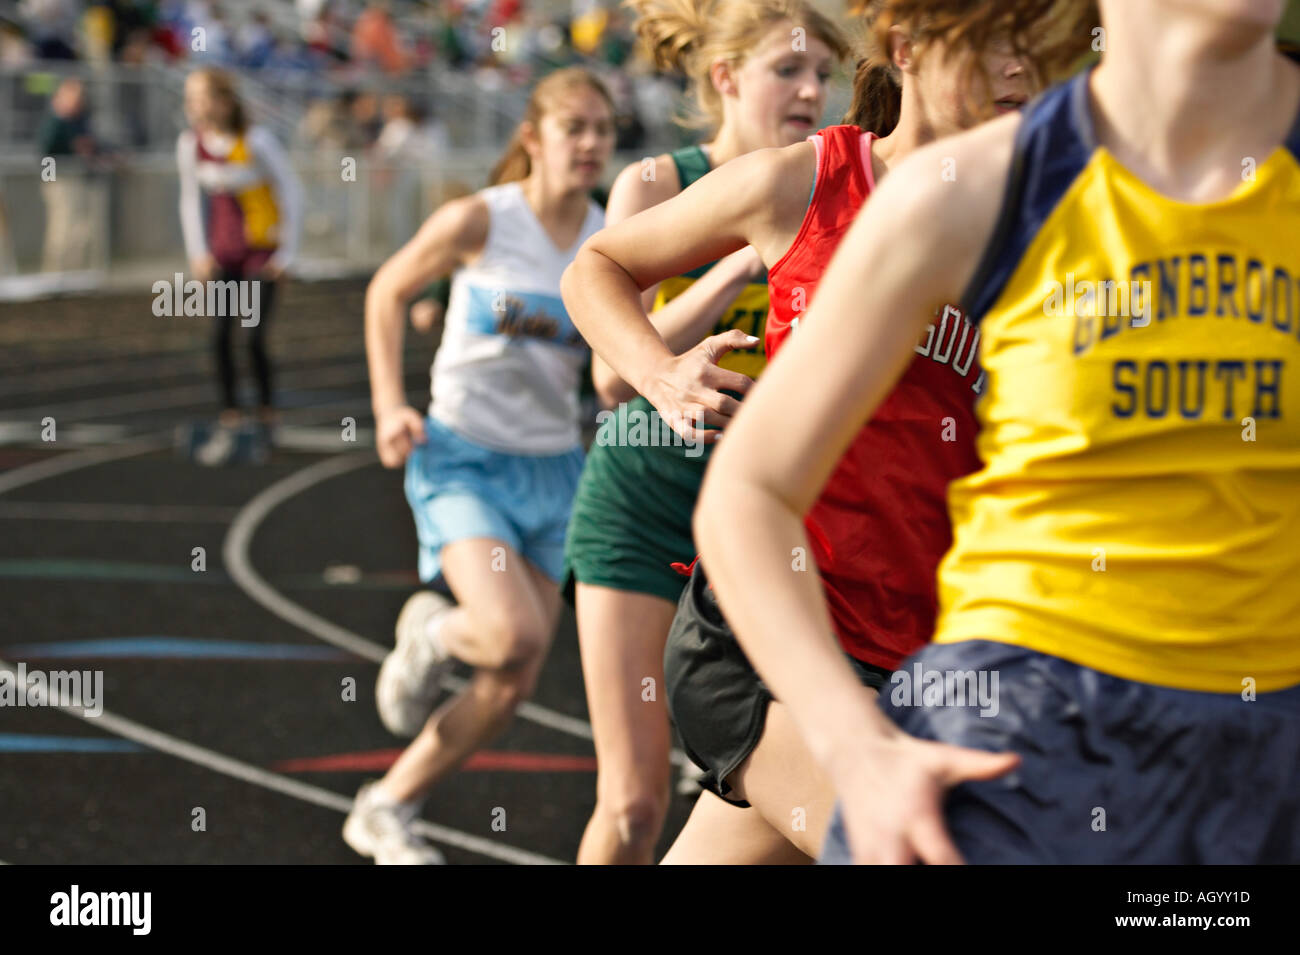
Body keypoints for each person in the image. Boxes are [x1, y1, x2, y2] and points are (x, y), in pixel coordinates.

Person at [692, 0, 1300, 864]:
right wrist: (857, 750)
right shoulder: (978, 186)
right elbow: (748, 492)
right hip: (1028, 735)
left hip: (1264, 743)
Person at [561, 0, 1064, 861]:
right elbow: (597, 266)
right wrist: (660, 373)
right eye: (995, 45)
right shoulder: (802, 181)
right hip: (769, 641)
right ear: (905, 50)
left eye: (1035, 47)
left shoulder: (1040, 232)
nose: (1021, 68)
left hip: (921, 648)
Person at [560, 0, 849, 865]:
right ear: (725, 78)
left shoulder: (819, 189)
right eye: (786, 71)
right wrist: (731, 268)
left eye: (822, 76)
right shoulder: (659, 182)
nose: (809, 91)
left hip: (764, 519)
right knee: (635, 799)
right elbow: (613, 370)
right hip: (646, 502)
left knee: (774, 800)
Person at [343, 67, 616, 865]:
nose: (593, 143)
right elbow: (388, 291)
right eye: (576, 127)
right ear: (533, 137)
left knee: (516, 671)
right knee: (506, 630)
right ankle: (431, 631)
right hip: (463, 457)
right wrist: (392, 403)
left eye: (603, 129)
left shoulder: (609, 237)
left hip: (555, 467)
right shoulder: (482, 219)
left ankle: (388, 803)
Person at [177, 68, 301, 465]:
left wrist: (288, 256)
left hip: (261, 253)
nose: (193, 106)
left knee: (253, 337)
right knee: (218, 336)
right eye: (190, 97)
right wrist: (198, 251)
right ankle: (230, 418)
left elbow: (292, 192)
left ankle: (267, 416)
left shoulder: (257, 141)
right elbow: (188, 200)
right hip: (223, 253)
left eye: (201, 97)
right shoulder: (189, 144)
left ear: (225, 101)